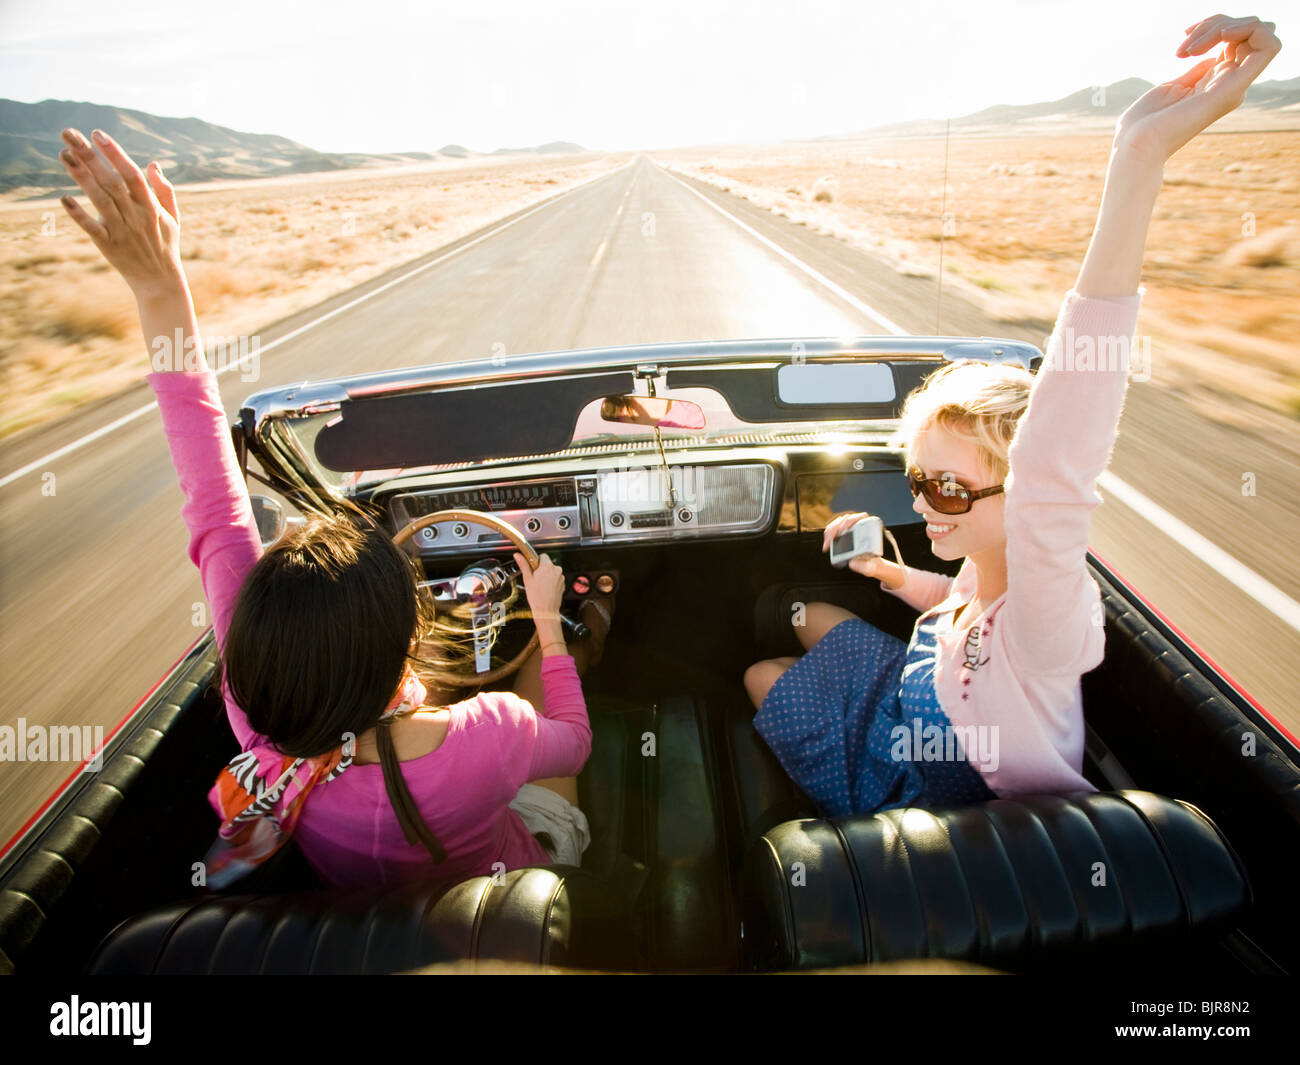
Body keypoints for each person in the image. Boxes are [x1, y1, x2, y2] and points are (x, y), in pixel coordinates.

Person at [743, 14, 1282, 817]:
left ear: (1022, 495)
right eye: (920, 478)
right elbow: (958, 608)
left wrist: (1135, 157)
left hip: (915, 771)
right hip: (916, 685)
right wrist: (895, 576)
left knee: (760, 675)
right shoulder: (980, 572)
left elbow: (1062, 454)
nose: (924, 502)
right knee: (812, 612)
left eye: (952, 490)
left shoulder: (1044, 618)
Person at [55, 128, 613, 890]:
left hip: (362, 921)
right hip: (508, 897)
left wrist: (157, 290)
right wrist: (548, 622)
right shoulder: (490, 735)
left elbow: (217, 511)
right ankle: (590, 637)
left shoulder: (262, 725)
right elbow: (574, 745)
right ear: (410, 639)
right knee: (546, 684)